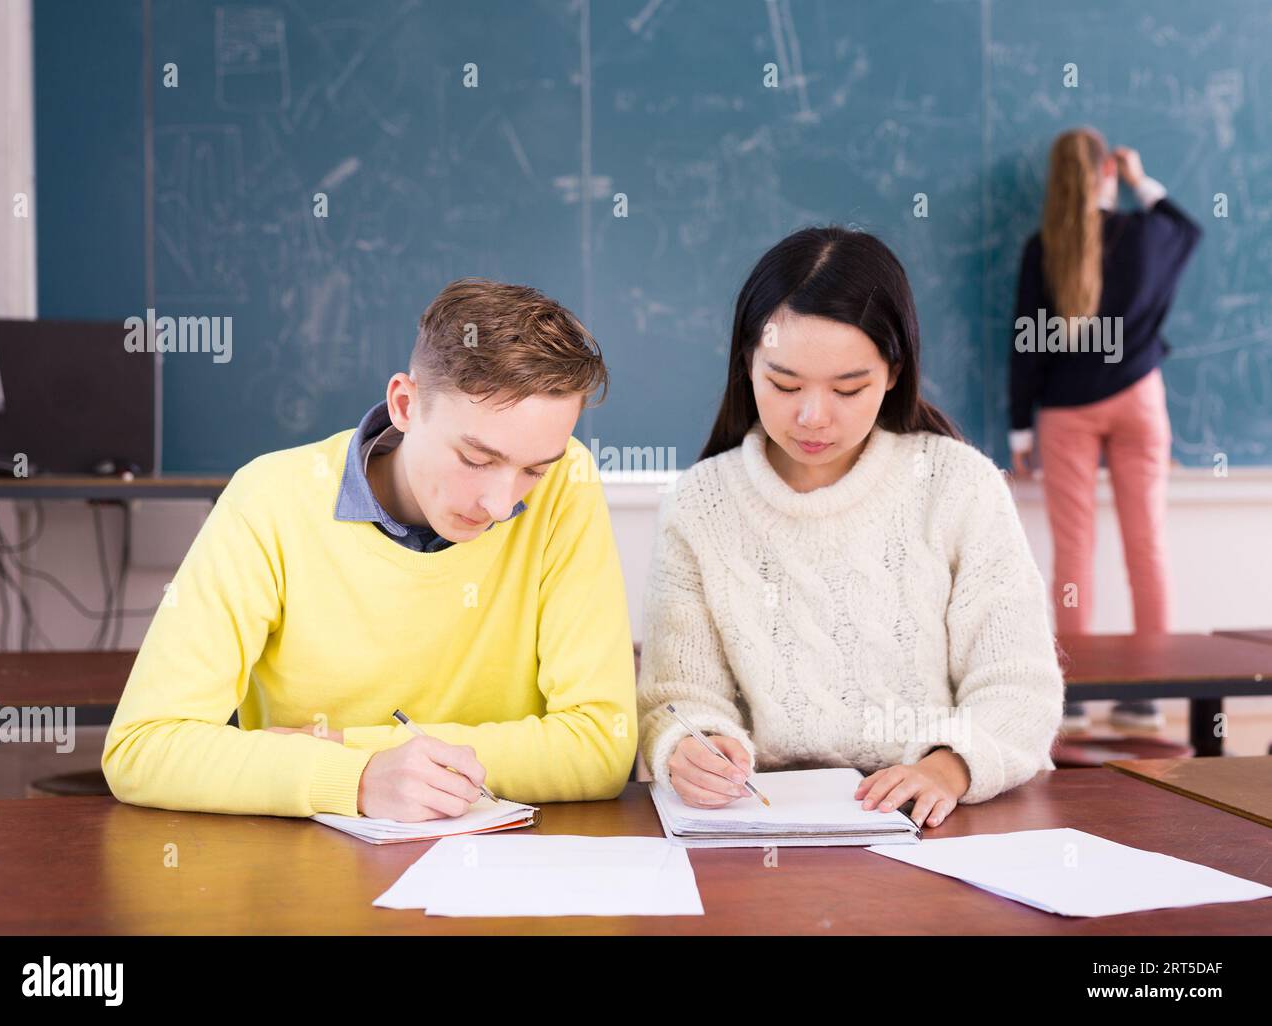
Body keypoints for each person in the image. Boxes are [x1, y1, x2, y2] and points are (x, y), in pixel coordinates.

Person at [103, 278, 637, 820]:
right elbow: (144, 747)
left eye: (533, 470)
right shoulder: (269, 497)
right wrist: (357, 784)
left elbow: (600, 746)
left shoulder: (568, 484)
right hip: (312, 874)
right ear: (405, 404)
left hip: (504, 870)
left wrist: (347, 751)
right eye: (476, 460)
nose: (501, 505)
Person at [636, 226, 1063, 829]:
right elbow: (677, 696)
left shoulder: (958, 485)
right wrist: (692, 744)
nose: (813, 416)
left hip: (935, 819)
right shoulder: (699, 504)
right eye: (783, 384)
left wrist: (949, 766)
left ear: (893, 372)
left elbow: (1019, 685)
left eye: (849, 387)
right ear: (747, 365)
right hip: (764, 829)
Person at [1010, 128, 1202, 732]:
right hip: (1140, 401)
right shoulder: (1146, 235)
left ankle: (1078, 695)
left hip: (1067, 409)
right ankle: (1148, 696)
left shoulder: (1044, 248)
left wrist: (1020, 433)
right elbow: (1188, 227)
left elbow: (1025, 347)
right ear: (1108, 175)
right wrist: (1141, 178)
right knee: (1146, 546)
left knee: (1074, 551)